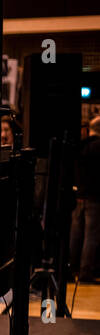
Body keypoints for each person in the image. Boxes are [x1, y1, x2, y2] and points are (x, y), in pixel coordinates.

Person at [73, 114, 100, 282]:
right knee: (92, 235)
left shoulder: (81, 146)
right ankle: (86, 271)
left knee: (76, 235)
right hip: (95, 196)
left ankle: (71, 268)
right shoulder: (99, 147)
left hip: (79, 195)